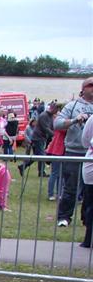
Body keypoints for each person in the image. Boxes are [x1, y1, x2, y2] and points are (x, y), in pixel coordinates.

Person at [53, 77, 93, 227]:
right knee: (71, 187)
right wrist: (75, 120)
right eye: (90, 86)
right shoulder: (72, 106)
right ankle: (64, 217)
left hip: (91, 153)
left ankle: (87, 218)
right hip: (74, 151)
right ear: (83, 89)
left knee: (90, 189)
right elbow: (57, 124)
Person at [80, 114, 93, 248]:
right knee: (90, 205)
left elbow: (85, 140)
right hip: (91, 169)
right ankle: (89, 238)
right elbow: (85, 141)